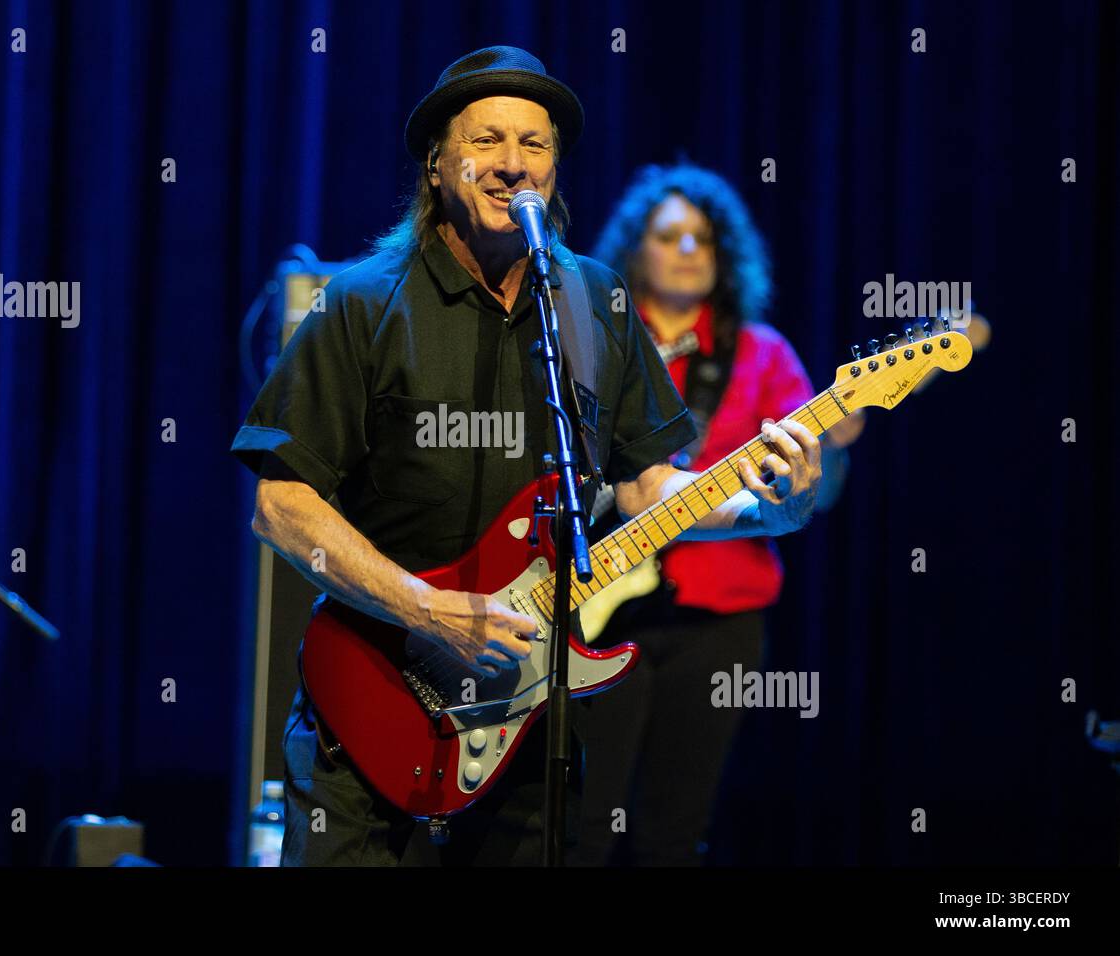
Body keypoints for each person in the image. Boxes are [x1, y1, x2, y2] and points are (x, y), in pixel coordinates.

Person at [230, 50, 824, 866]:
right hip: (375, 700)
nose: (513, 163)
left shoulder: (595, 304)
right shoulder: (362, 304)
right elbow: (280, 505)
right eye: (488, 140)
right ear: (437, 165)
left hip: (531, 720)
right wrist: (425, 609)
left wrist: (770, 509)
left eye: (535, 145)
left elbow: (648, 486)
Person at [578, 162, 862, 866]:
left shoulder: (763, 353)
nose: (687, 249)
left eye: (703, 238)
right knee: (580, 828)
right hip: (592, 608)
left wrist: (827, 451)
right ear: (634, 249)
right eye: (668, 235)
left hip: (718, 618)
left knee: (674, 832)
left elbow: (817, 487)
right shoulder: (597, 341)